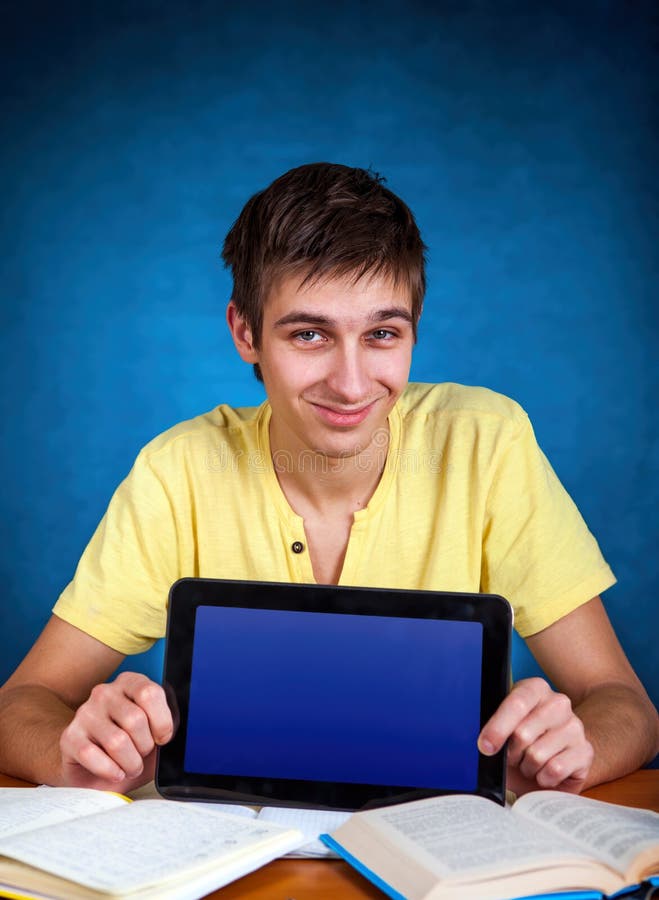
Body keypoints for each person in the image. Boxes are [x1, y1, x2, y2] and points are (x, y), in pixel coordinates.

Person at [0, 163, 656, 798]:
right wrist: (74, 752)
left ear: (412, 331)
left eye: (381, 333)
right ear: (245, 332)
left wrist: (573, 749)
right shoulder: (178, 471)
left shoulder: (486, 443)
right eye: (310, 334)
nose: (349, 383)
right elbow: (23, 703)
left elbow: (623, 703)